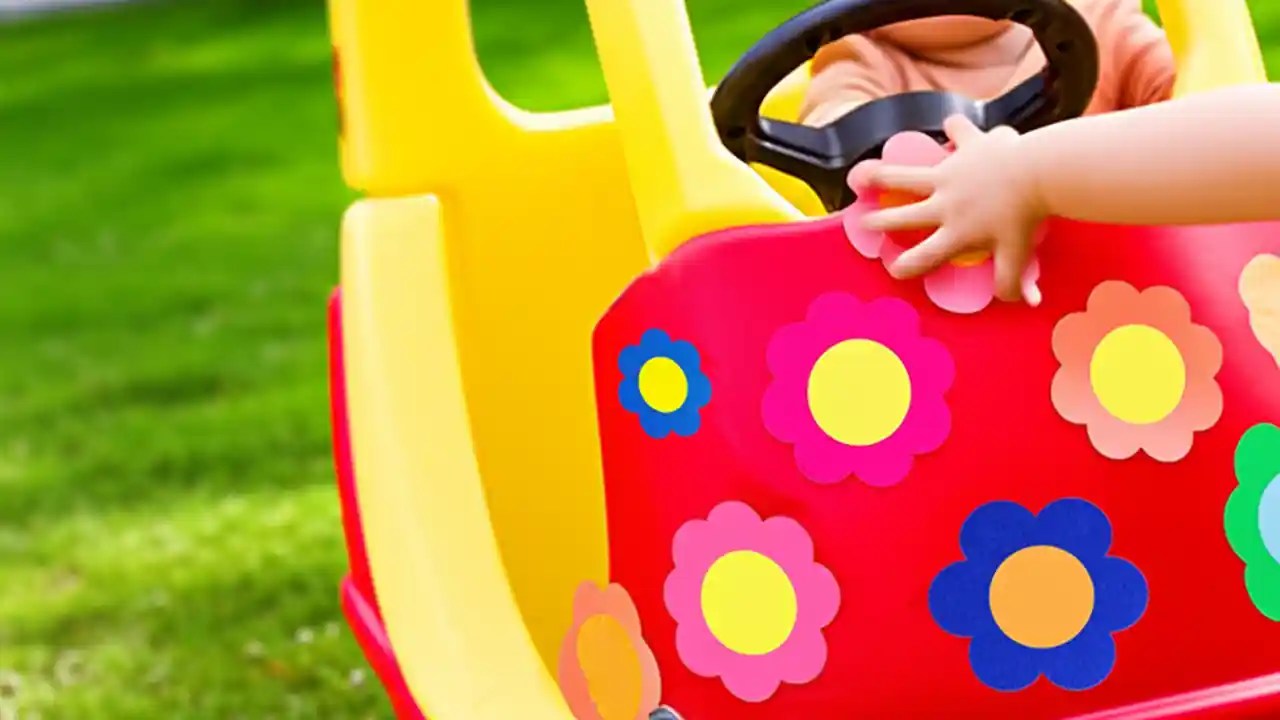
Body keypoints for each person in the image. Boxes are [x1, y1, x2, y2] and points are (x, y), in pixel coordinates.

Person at [854, 83, 1280, 304]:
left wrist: (1024, 174)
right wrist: (1023, 174)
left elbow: (1249, 141)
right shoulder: (858, 61)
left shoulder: (1102, 23)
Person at [799, 0, 1174, 127]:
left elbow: (1200, 91)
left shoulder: (1101, 23)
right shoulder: (863, 58)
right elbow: (834, 126)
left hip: (1122, 271)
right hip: (946, 286)